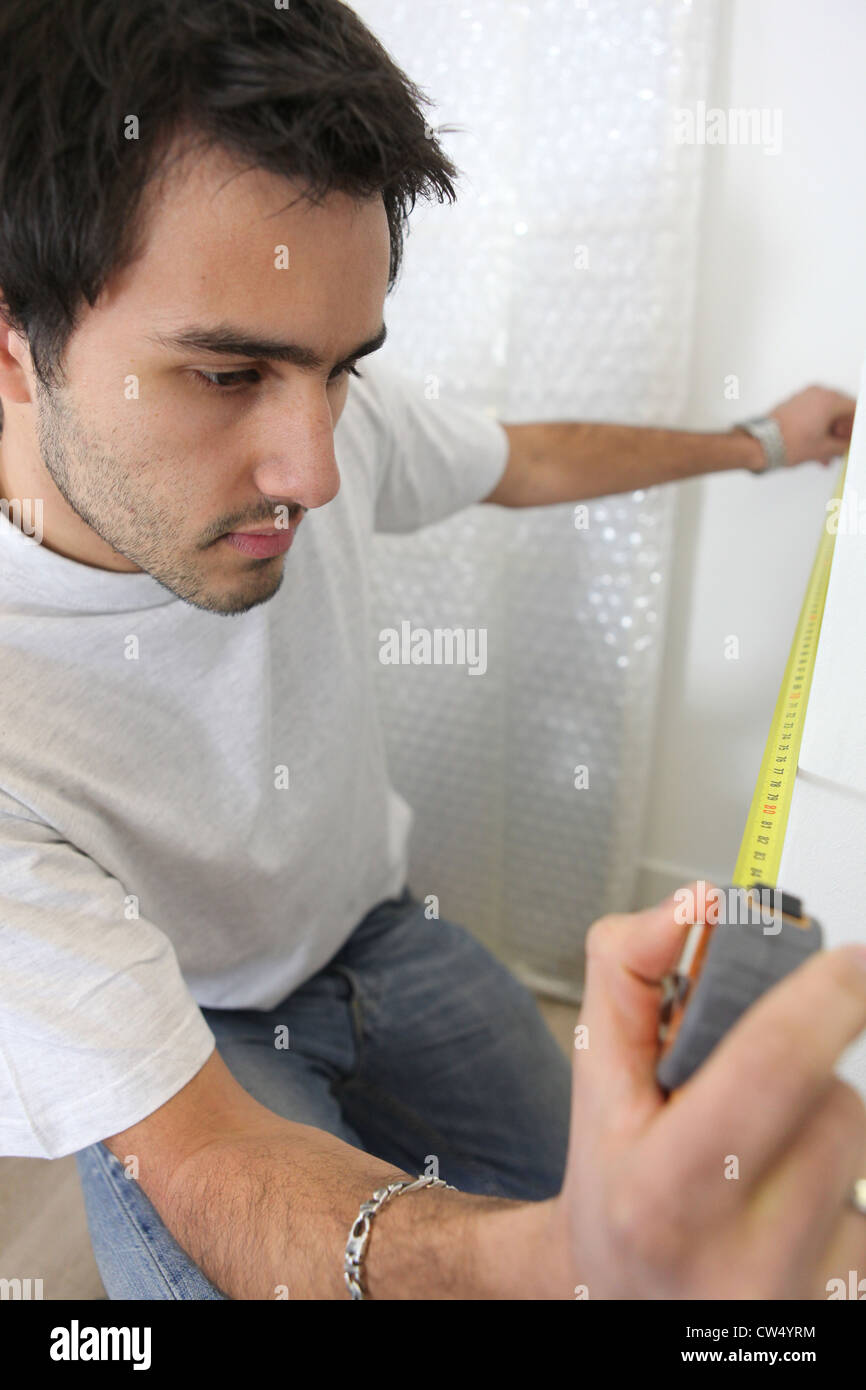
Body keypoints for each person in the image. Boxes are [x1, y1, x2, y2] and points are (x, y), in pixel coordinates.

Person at [0, 0, 861, 1300]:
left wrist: (758, 441)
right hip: (191, 1031)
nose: (316, 471)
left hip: (383, 935)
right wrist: (568, 1257)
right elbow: (215, 1157)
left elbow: (533, 456)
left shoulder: (330, 431)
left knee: (610, 1176)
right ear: (15, 349)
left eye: (343, 368)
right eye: (227, 375)